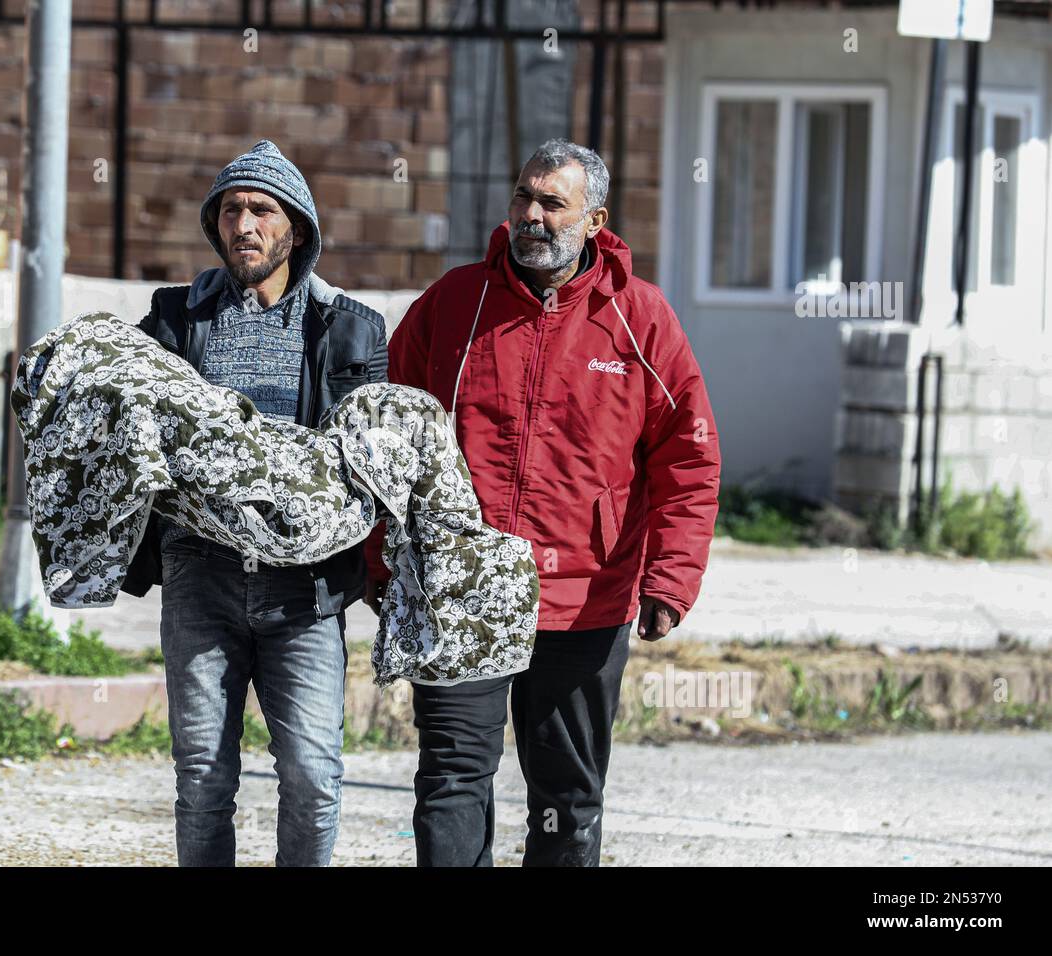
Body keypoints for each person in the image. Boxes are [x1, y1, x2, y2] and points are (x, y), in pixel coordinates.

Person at [364, 138, 721, 866]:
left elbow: (691, 455)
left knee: (566, 799)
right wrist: (380, 561)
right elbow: (385, 435)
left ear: (594, 220)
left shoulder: (640, 320)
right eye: (523, 198)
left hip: (584, 595)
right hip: (460, 590)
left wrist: (670, 579)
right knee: (451, 782)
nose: (531, 215)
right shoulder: (454, 305)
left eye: (552, 203)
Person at [121, 139, 387, 866]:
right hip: (200, 573)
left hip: (305, 587)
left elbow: (369, 461)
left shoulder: (350, 328)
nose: (244, 224)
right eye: (231, 210)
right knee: (204, 775)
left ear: (294, 228)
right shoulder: (174, 321)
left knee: (311, 774)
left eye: (261, 210)